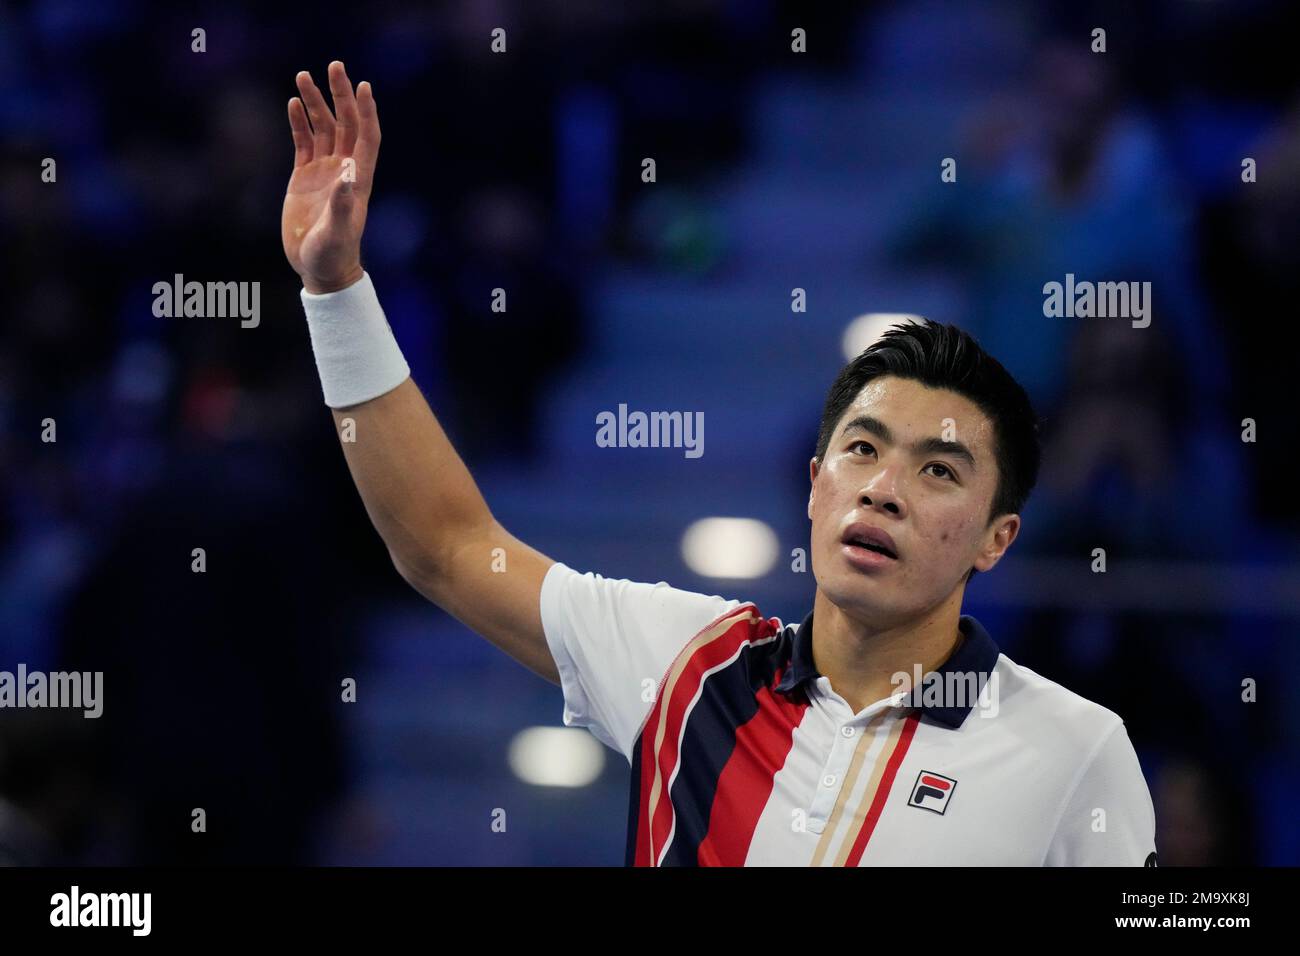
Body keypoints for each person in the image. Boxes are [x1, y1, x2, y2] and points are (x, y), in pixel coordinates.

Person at [281, 62, 1157, 866]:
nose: (884, 490)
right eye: (862, 450)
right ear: (816, 487)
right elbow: (444, 543)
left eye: (939, 471)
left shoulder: (1076, 749)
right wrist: (335, 290)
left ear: (996, 539)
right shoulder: (687, 663)